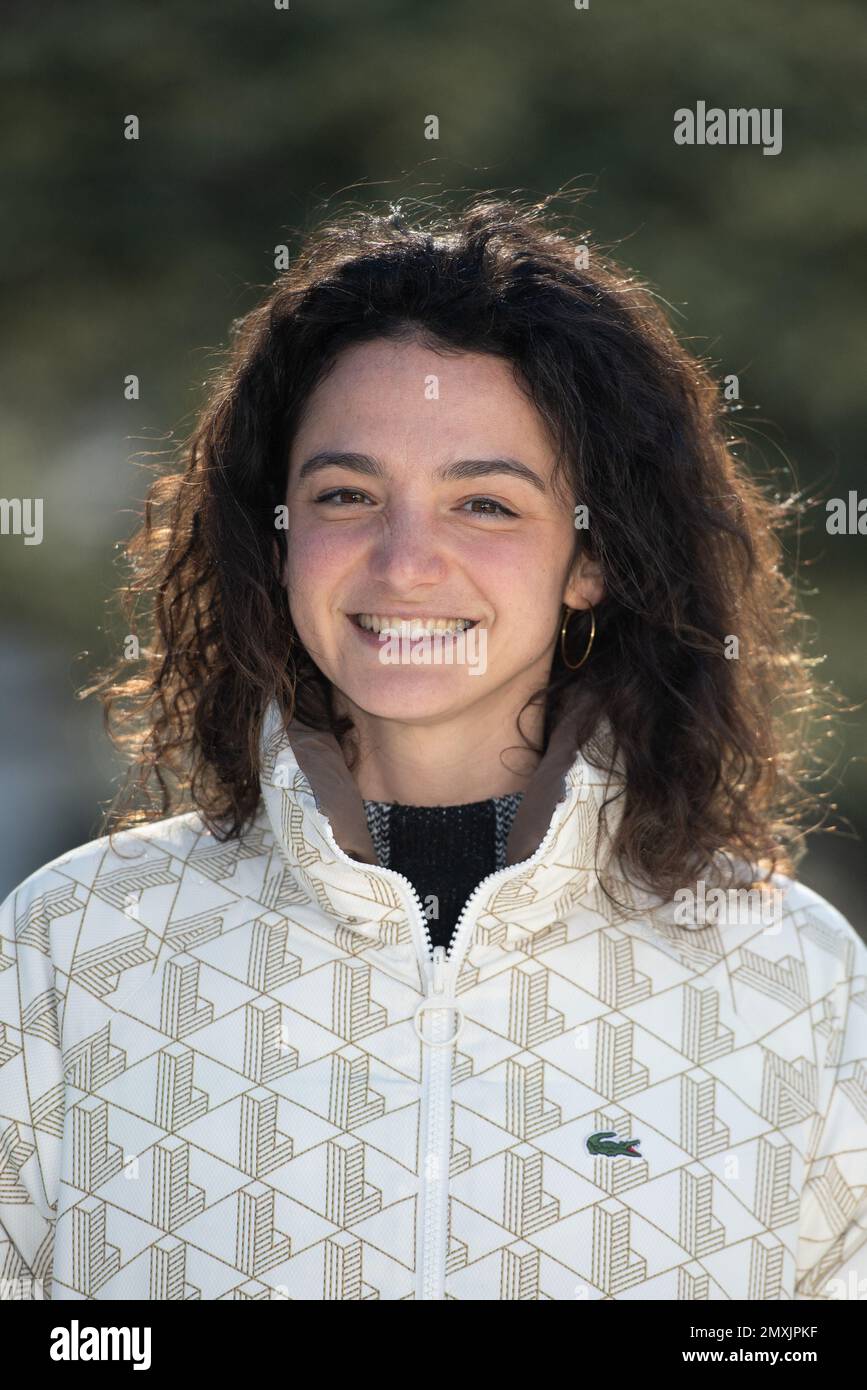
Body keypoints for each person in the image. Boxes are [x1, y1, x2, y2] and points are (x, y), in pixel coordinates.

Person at [1, 193, 865, 1302]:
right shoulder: (72, 950)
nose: (405, 562)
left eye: (486, 505)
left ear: (591, 557)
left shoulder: (789, 977)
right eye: (348, 494)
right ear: (277, 538)